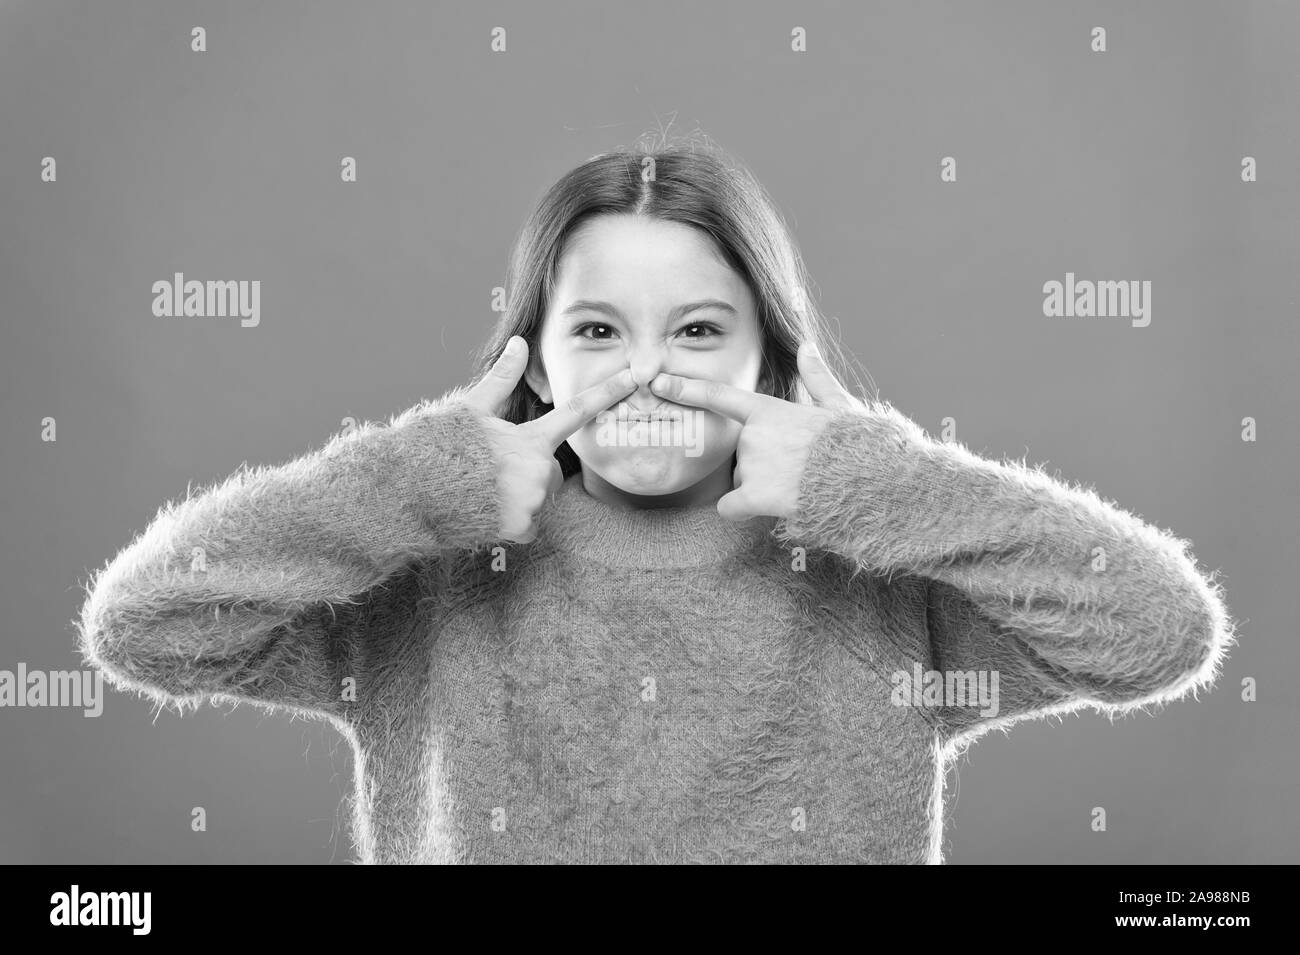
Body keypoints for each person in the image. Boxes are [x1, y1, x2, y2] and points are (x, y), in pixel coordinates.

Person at [75, 136, 1238, 864]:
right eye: (597, 331)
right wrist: (409, 479)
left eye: (694, 330)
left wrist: (877, 479)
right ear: (535, 363)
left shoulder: (879, 569)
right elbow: (148, 626)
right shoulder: (424, 576)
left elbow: (1158, 632)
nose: (642, 371)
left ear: (765, 359)